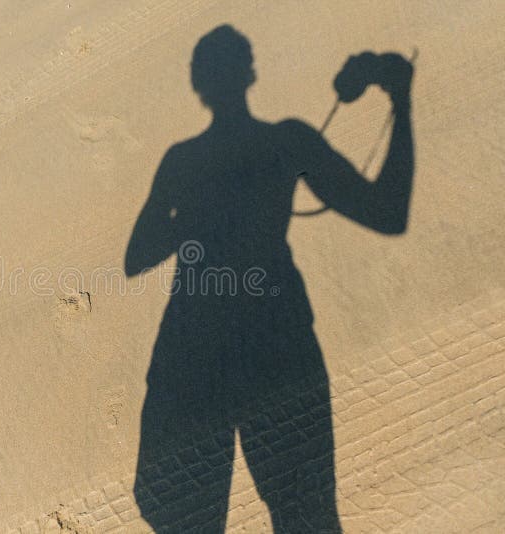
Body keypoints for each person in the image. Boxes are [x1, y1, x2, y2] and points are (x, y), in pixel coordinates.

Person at [124, 25, 413, 532]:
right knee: (306, 515)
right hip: (277, 342)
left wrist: (194, 220)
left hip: (195, 349)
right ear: (251, 75)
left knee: (185, 518)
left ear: (198, 85)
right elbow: (387, 213)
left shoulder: (182, 160)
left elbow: (137, 256)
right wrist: (402, 104)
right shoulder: (287, 140)